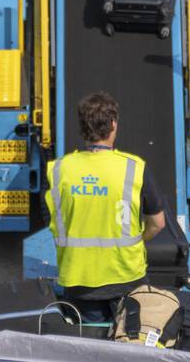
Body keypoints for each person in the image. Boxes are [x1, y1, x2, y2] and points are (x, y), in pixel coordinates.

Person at [45, 92, 166, 326]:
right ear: (113, 124)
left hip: (78, 278)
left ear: (82, 127)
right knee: (132, 337)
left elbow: (51, 217)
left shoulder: (59, 169)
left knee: (92, 344)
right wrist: (137, 240)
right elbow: (158, 223)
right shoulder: (134, 168)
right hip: (126, 274)